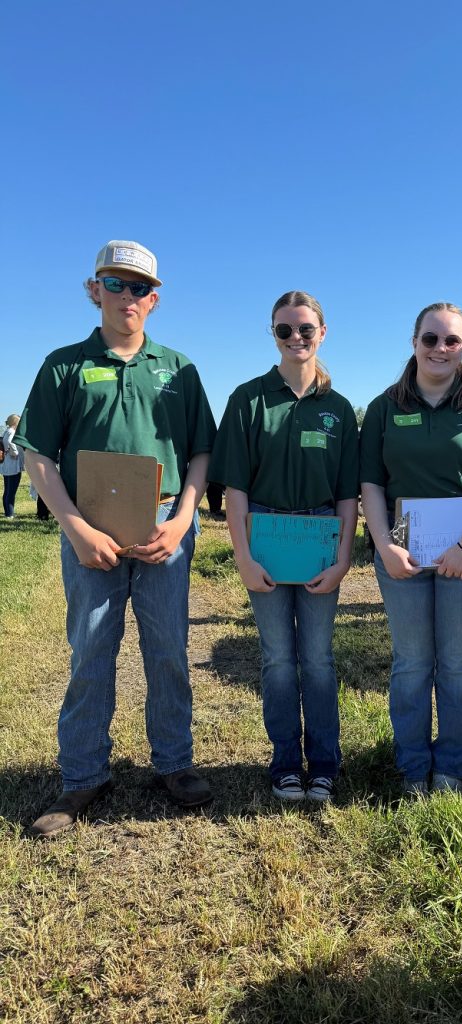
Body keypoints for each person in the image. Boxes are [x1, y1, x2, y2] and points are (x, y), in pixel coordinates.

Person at [15, 240, 217, 838]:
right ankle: (82, 776)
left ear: (154, 299)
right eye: (116, 282)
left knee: (168, 650)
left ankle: (174, 764)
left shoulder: (178, 368)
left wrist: (181, 522)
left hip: (162, 521)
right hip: (90, 524)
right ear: (93, 288)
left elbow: (200, 450)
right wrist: (74, 527)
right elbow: (37, 456)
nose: (127, 295)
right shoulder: (64, 364)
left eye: (139, 287)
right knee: (92, 651)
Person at [360, 303, 462, 795]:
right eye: (431, 339)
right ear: (414, 342)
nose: (440, 349)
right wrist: (384, 544)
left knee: (455, 661)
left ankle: (451, 763)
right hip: (401, 550)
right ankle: (411, 765)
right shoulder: (386, 406)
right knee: (410, 661)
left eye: (451, 341)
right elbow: (370, 484)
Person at [209, 291, 359, 803]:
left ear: (323, 333)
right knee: (276, 659)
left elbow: (347, 494)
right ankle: (284, 763)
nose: (296, 338)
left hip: (320, 537)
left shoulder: (338, 409)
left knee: (317, 658)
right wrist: (243, 556)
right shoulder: (248, 399)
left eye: (305, 329)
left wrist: (343, 557)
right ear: (272, 334)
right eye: (285, 330)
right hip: (266, 537)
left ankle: (323, 763)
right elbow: (235, 490)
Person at [1, 414, 24, 518]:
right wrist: (15, 453)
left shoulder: (6, 431)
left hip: (6, 463)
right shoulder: (12, 432)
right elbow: (11, 442)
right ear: (16, 422)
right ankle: (10, 514)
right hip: (12, 464)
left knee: (7, 490)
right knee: (11, 491)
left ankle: (7, 512)